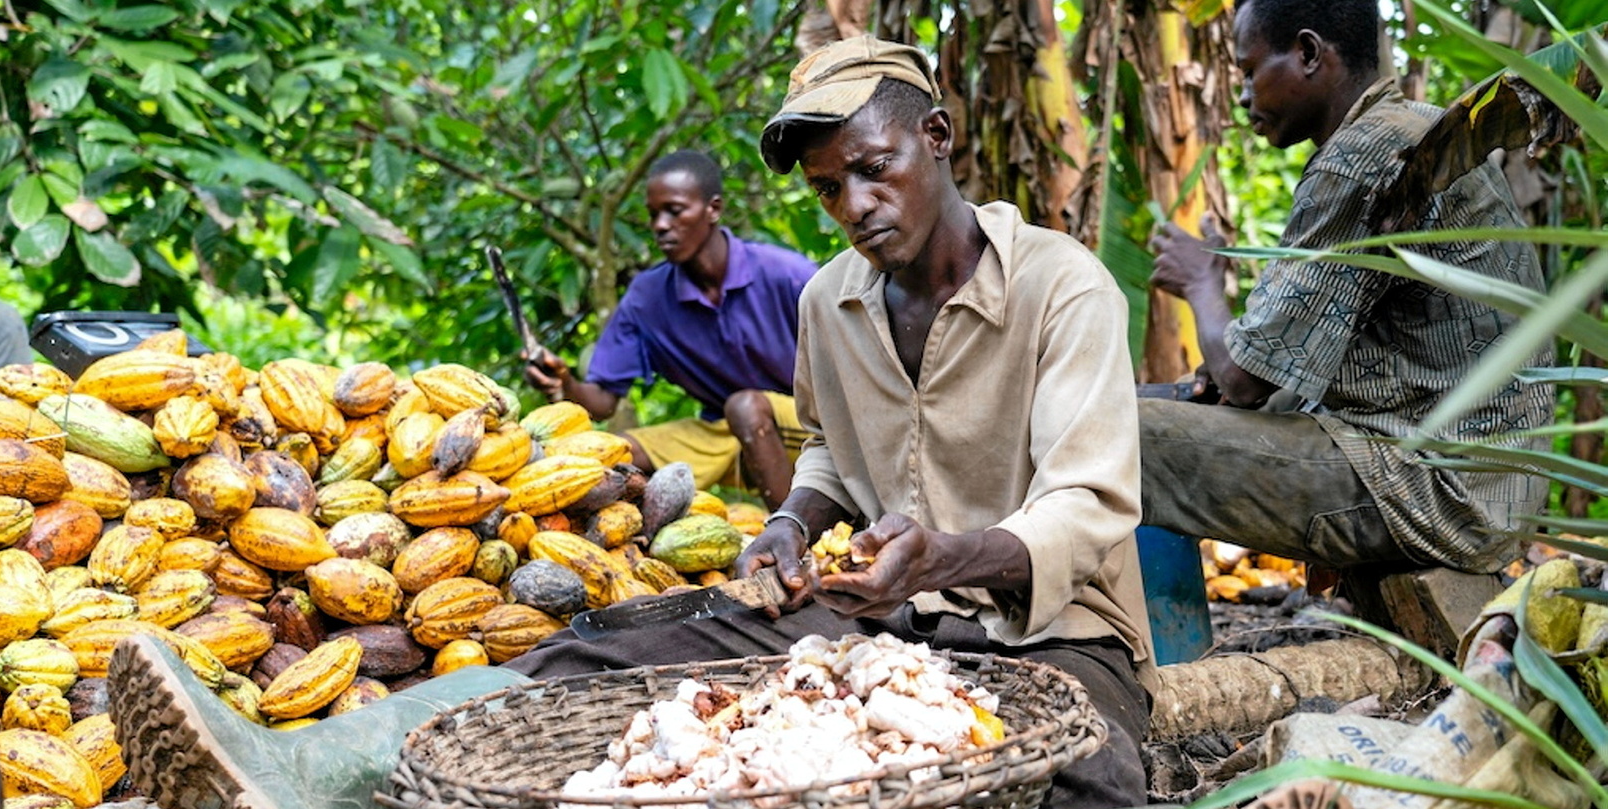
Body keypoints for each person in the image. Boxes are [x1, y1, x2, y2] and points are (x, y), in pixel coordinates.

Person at [106, 36, 1152, 809]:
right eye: (830, 190)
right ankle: (299, 768)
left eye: (876, 167)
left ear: (937, 136)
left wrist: (943, 556)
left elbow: (1091, 504)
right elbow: (832, 451)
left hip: (1054, 635)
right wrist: (793, 523)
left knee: (1067, 776)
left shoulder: (1063, 288)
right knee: (596, 661)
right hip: (872, 616)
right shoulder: (831, 299)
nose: (857, 205)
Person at [1142, 0, 1553, 585]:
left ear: (1309, 54)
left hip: (1444, 493)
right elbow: (1284, 359)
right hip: (1484, 483)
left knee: (1123, 437)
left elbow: (1243, 378)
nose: (1241, 94)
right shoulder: (1414, 126)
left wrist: (1201, 280)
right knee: (1156, 401)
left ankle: (1105, 645)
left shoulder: (1361, 158)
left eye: (1249, 70)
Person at [524, 150, 817, 509]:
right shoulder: (647, 299)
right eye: (653, 215)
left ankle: (796, 537)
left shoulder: (784, 273)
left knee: (744, 407)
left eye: (674, 211)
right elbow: (601, 403)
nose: (660, 226)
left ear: (713, 209)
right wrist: (564, 382)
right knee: (613, 451)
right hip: (728, 433)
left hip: (820, 425)